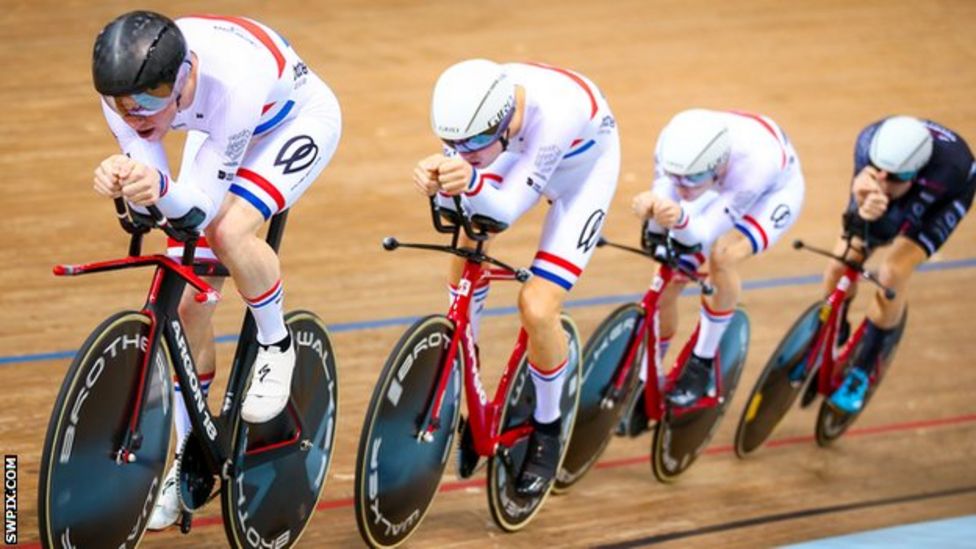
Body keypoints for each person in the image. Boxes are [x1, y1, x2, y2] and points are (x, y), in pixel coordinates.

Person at [89, 11, 341, 529]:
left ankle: (276, 342)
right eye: (124, 105)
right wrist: (126, 177)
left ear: (183, 76)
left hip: (293, 122)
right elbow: (154, 186)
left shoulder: (234, 83)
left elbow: (198, 209)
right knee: (187, 304)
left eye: (152, 101)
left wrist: (156, 189)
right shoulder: (125, 91)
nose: (137, 115)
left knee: (227, 232)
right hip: (220, 133)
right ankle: (187, 454)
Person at [412, 59, 620, 497]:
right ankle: (472, 393)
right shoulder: (473, 109)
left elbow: (505, 209)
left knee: (538, 306)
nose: (463, 149)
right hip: (515, 155)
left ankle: (548, 427)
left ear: (504, 121)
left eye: (474, 142)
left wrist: (467, 179)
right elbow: (464, 197)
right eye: (453, 142)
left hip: (581, 175)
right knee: (465, 241)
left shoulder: (556, 113)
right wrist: (438, 179)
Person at [621, 108, 805, 435]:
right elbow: (668, 192)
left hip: (772, 193)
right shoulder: (674, 149)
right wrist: (651, 213)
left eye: (690, 179)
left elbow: (704, 231)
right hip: (717, 187)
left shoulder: (754, 166)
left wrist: (676, 218)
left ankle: (702, 363)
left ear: (718, 165)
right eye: (676, 177)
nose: (682, 186)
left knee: (722, 256)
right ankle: (649, 376)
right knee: (664, 278)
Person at [826, 116, 974, 414]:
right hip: (906, 178)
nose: (882, 181)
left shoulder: (947, 172)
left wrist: (876, 212)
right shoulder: (868, 142)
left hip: (947, 197)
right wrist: (862, 200)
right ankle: (835, 327)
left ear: (912, 174)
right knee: (840, 262)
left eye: (893, 179)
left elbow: (888, 232)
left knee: (893, 272)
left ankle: (863, 370)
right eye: (878, 173)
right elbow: (856, 227)